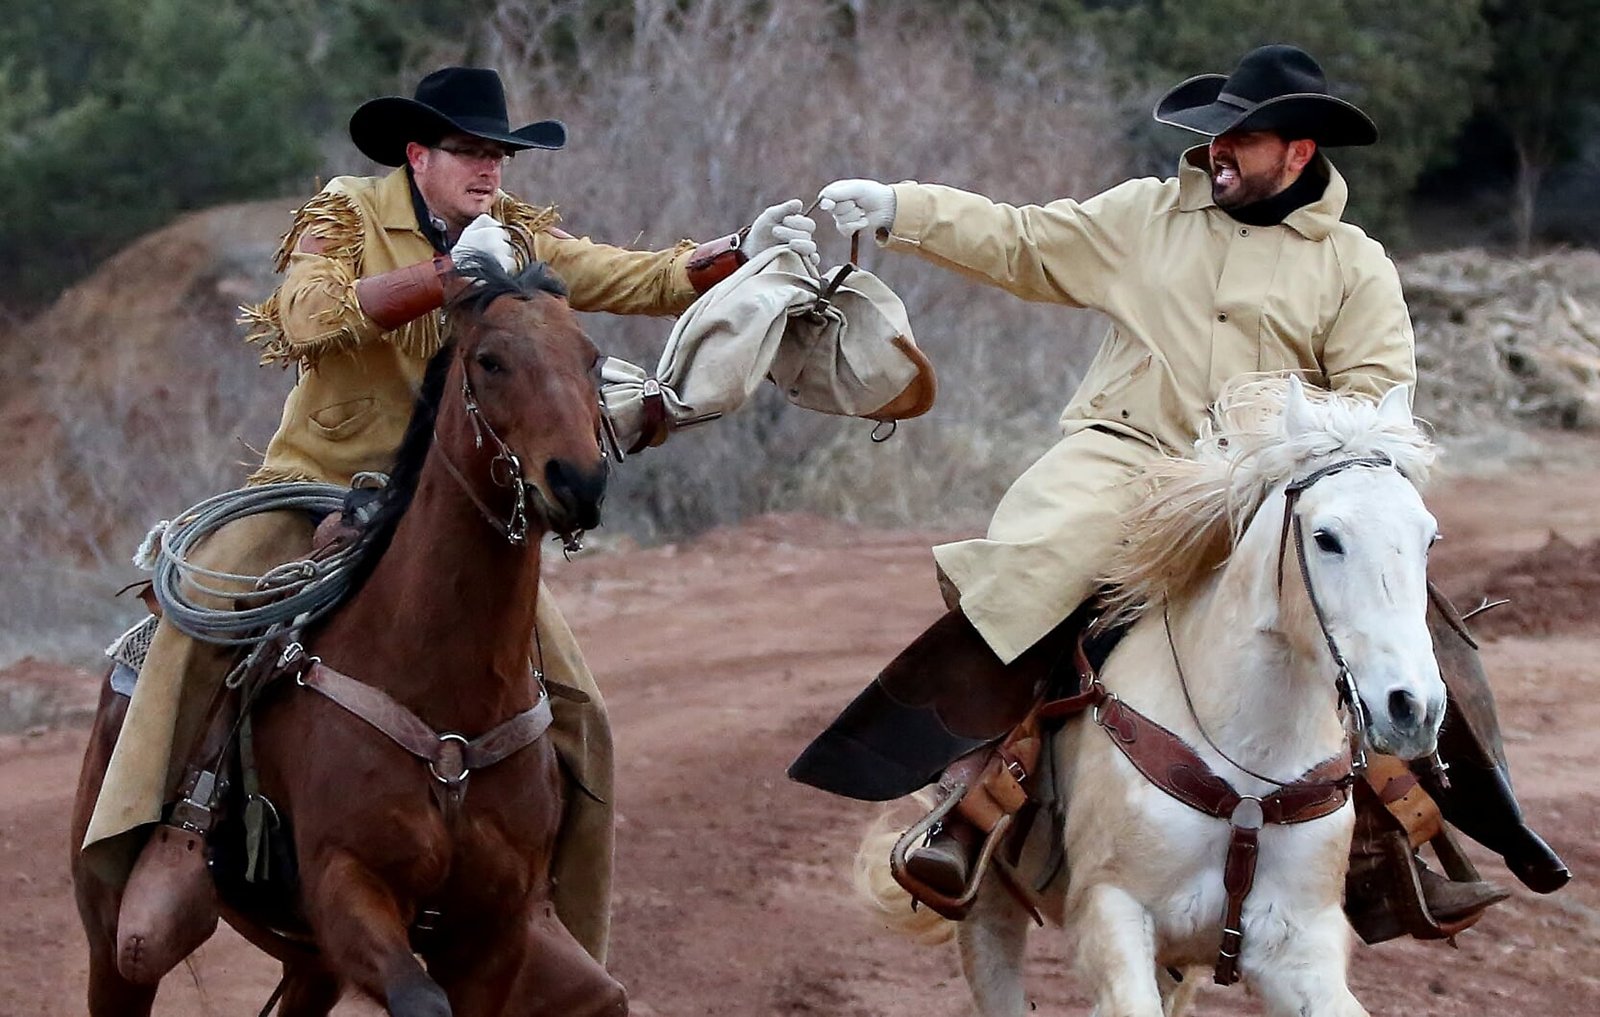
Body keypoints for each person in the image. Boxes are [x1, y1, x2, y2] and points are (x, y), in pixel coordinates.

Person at [797, 44, 1564, 937]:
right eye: (1215, 136)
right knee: (1038, 559)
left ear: (1299, 154)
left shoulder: (1356, 266)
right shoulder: (1143, 218)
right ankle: (970, 796)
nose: (1217, 152)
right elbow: (1022, 241)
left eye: (1241, 138)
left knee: (1404, 620)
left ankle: (1412, 834)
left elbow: (1379, 401)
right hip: (1127, 457)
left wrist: (1294, 459)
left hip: (1273, 483)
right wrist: (902, 209)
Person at [82, 65, 817, 967]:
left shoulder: (510, 235)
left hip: (449, 508)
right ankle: (161, 837)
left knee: (578, 708)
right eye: (470, 152)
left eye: (498, 155)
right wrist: (444, 275)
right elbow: (304, 317)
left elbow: (627, 276)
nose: (490, 170)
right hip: (315, 480)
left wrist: (739, 250)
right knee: (196, 607)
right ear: (418, 154)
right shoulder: (344, 214)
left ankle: (557, 927)